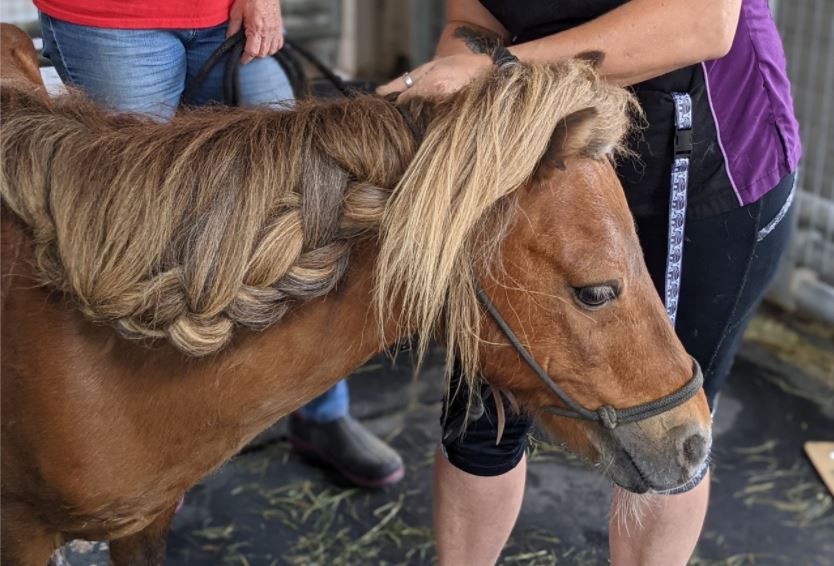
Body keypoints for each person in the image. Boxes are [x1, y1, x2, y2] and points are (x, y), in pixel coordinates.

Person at [378, 0, 800, 564]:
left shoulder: (512, 68)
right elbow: (472, 26)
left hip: (700, 157)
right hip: (541, 142)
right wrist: (457, 85)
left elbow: (700, 23)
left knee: (664, 421)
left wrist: (499, 70)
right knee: (480, 412)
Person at [34, 0, 404, 488]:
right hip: (110, 19)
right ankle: (153, 449)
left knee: (308, 213)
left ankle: (321, 413)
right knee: (142, 237)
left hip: (229, 11)